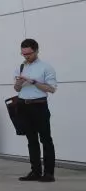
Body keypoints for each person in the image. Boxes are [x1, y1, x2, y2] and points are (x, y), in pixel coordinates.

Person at [14, 38, 58, 182]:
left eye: (29, 53)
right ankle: (35, 171)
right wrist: (19, 84)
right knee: (31, 140)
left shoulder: (46, 67)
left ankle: (49, 173)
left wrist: (34, 82)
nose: (26, 56)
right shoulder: (21, 67)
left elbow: (51, 89)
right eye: (23, 53)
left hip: (39, 106)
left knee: (45, 139)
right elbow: (16, 89)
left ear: (36, 51)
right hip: (24, 106)